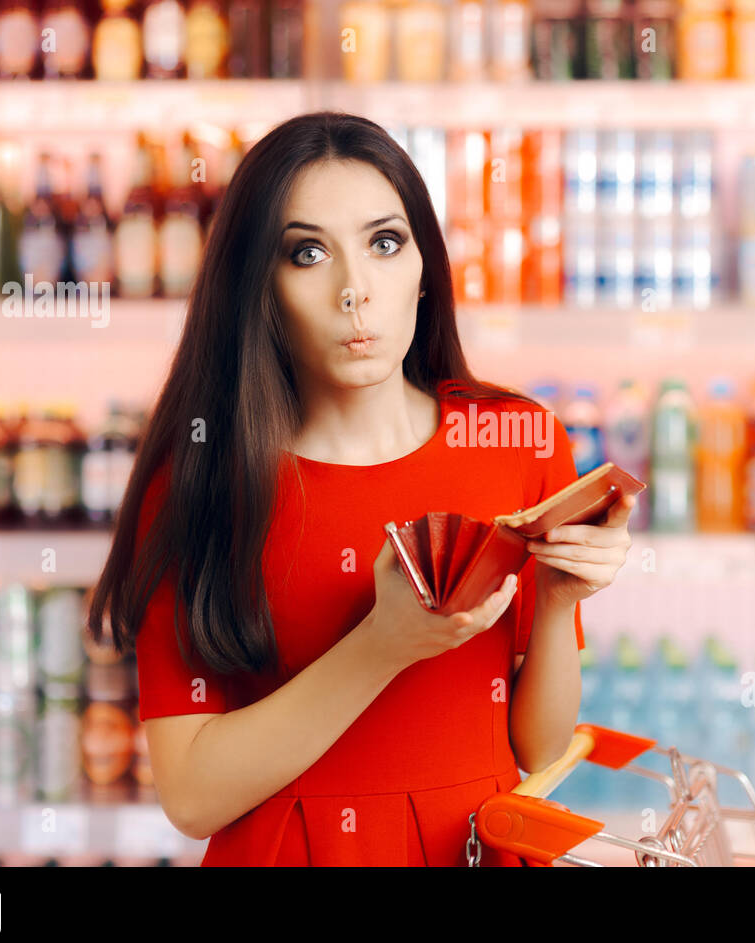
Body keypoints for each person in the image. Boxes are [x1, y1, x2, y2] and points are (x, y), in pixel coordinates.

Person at [88, 112, 636, 865]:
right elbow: (191, 795)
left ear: (423, 266)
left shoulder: (518, 438)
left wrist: (561, 599)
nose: (356, 292)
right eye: (307, 253)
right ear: (259, 287)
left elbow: (539, 751)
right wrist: (382, 646)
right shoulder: (200, 476)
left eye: (385, 243)